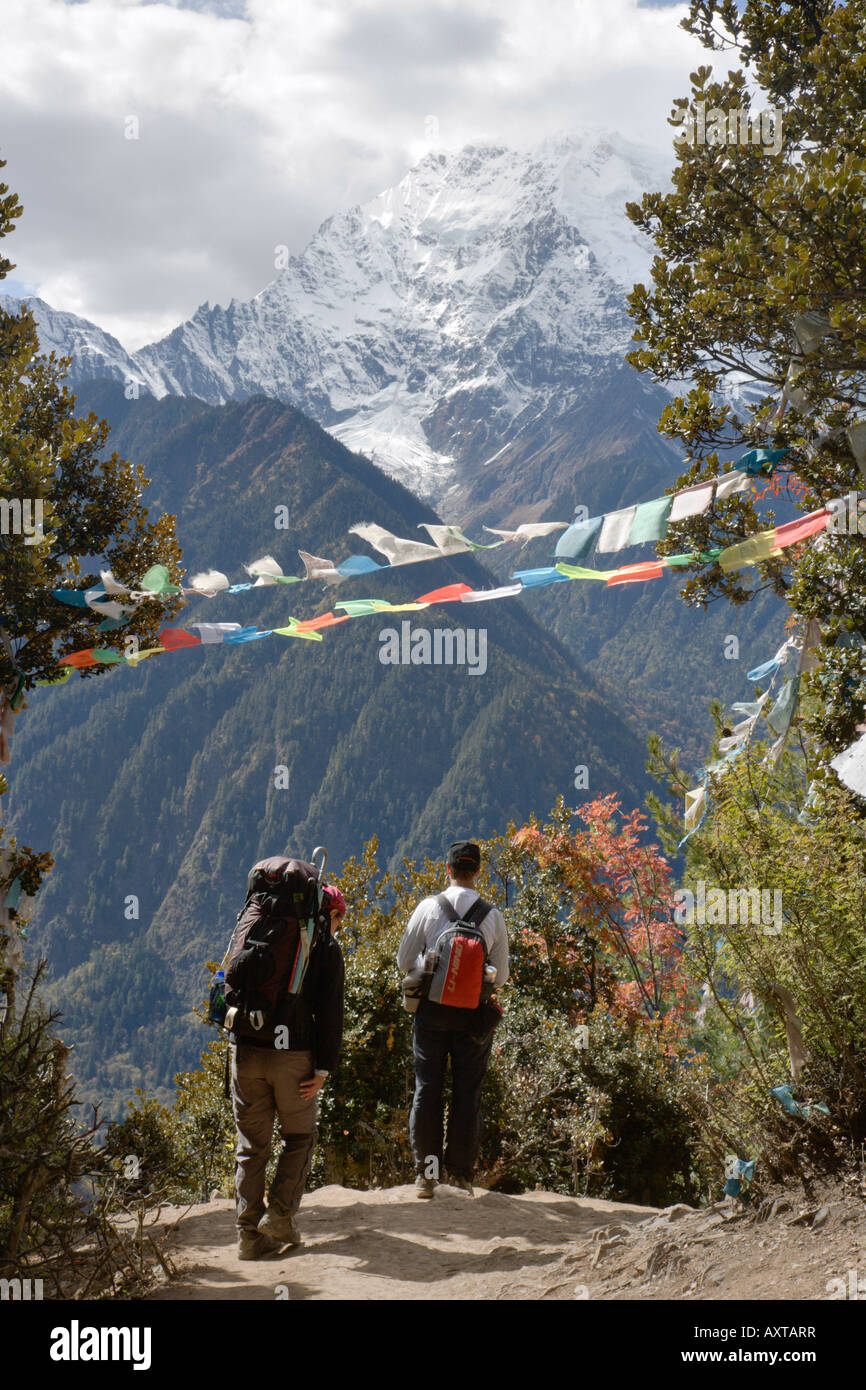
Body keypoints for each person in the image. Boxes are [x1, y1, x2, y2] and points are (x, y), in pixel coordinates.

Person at [231, 881, 345, 1260]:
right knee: (299, 1137)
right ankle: (280, 1215)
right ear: (329, 914)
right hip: (292, 1054)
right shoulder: (324, 946)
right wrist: (325, 1067)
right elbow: (330, 1013)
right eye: (340, 918)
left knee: (251, 1147)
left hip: (245, 1049)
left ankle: (248, 1236)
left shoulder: (256, 932)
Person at [397, 840, 509, 1199]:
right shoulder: (491, 915)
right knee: (467, 1092)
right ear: (477, 871)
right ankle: (460, 1177)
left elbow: (404, 961)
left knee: (428, 1089)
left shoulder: (429, 908)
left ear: (447, 869)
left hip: (431, 1012)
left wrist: (432, 974)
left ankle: (426, 1177)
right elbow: (502, 976)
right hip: (474, 1019)